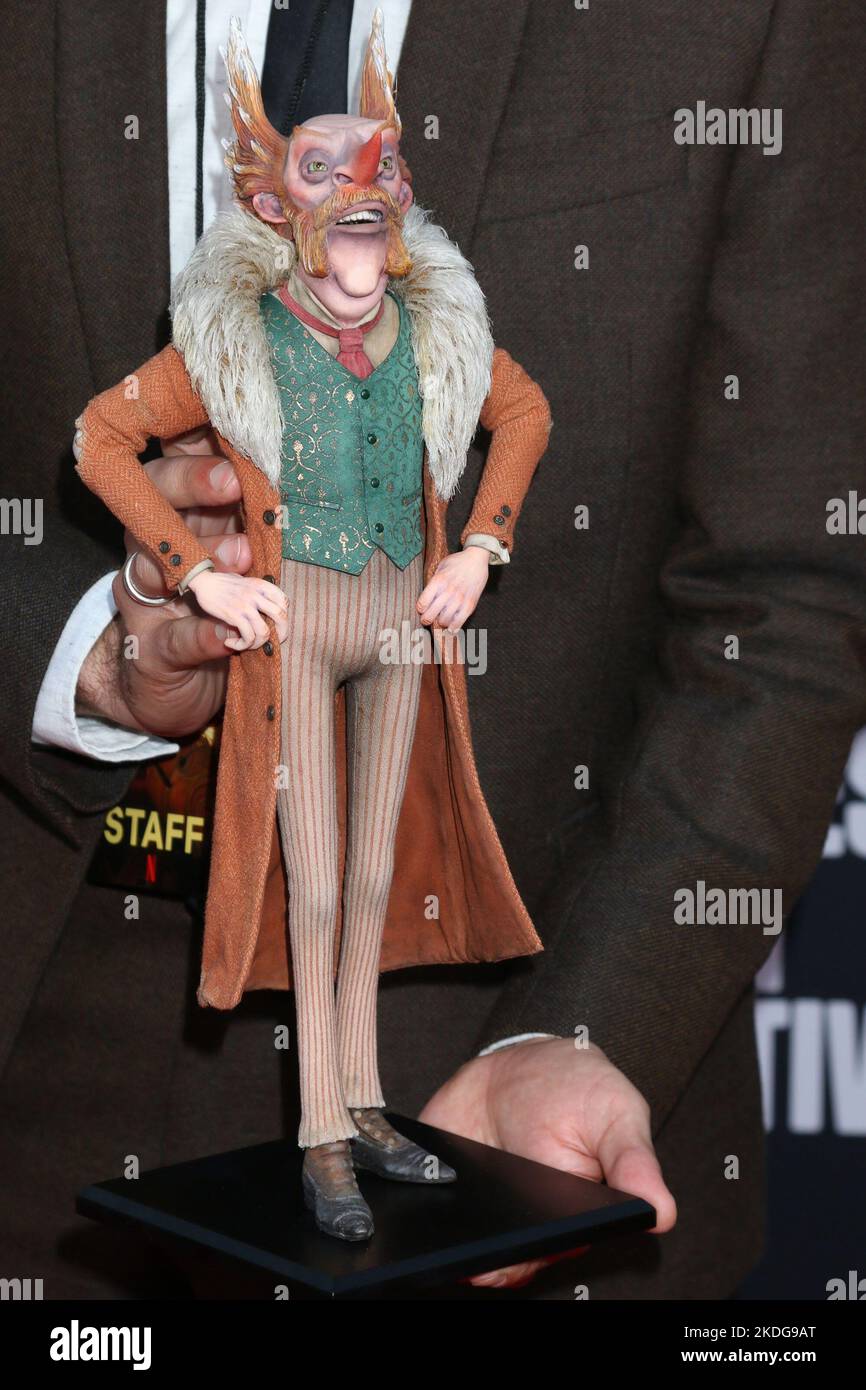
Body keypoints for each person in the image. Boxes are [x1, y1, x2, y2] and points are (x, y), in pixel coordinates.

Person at [0, 0, 863, 1299]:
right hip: (45, 1080)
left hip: (511, 1079)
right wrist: (135, 598)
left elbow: (772, 574)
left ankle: (343, 1128)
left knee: (357, 886)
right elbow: (108, 438)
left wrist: (482, 547)